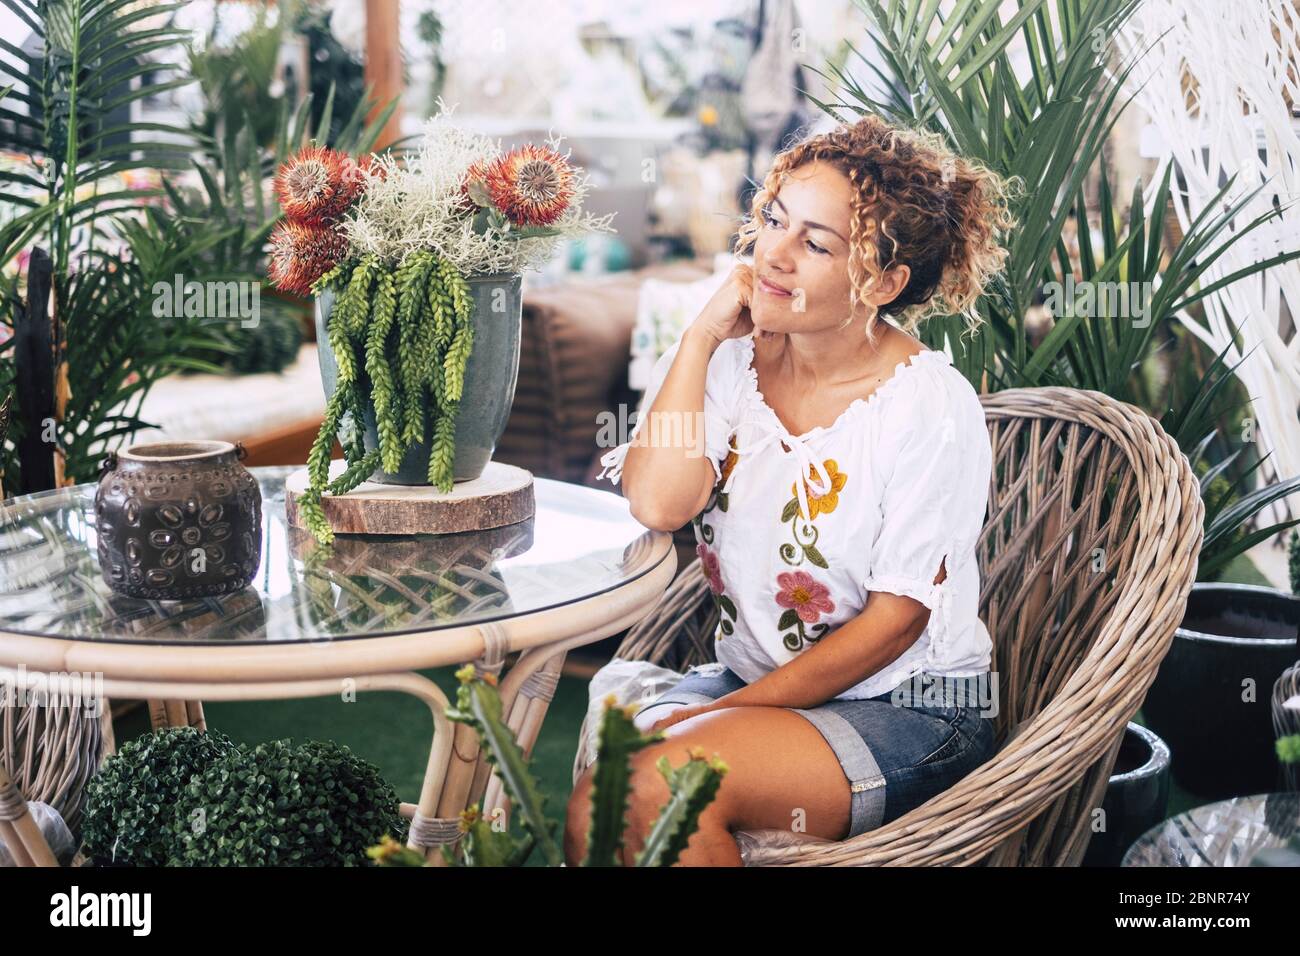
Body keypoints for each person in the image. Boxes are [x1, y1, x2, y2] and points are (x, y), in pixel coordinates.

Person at [566, 112, 1018, 867]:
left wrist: (722, 714)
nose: (772, 254)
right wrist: (698, 339)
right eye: (775, 220)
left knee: (646, 790)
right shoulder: (731, 362)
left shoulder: (928, 405)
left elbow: (895, 624)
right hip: (758, 687)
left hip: (909, 708)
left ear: (883, 283)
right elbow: (659, 504)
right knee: (605, 807)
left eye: (816, 243)